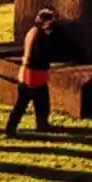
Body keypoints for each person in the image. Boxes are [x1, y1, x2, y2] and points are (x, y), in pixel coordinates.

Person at [6, 8, 59, 137]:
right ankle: (12, 129)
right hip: (34, 75)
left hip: (28, 74)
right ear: (44, 22)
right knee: (26, 104)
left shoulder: (32, 31)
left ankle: (37, 124)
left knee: (36, 103)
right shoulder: (40, 36)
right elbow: (40, 55)